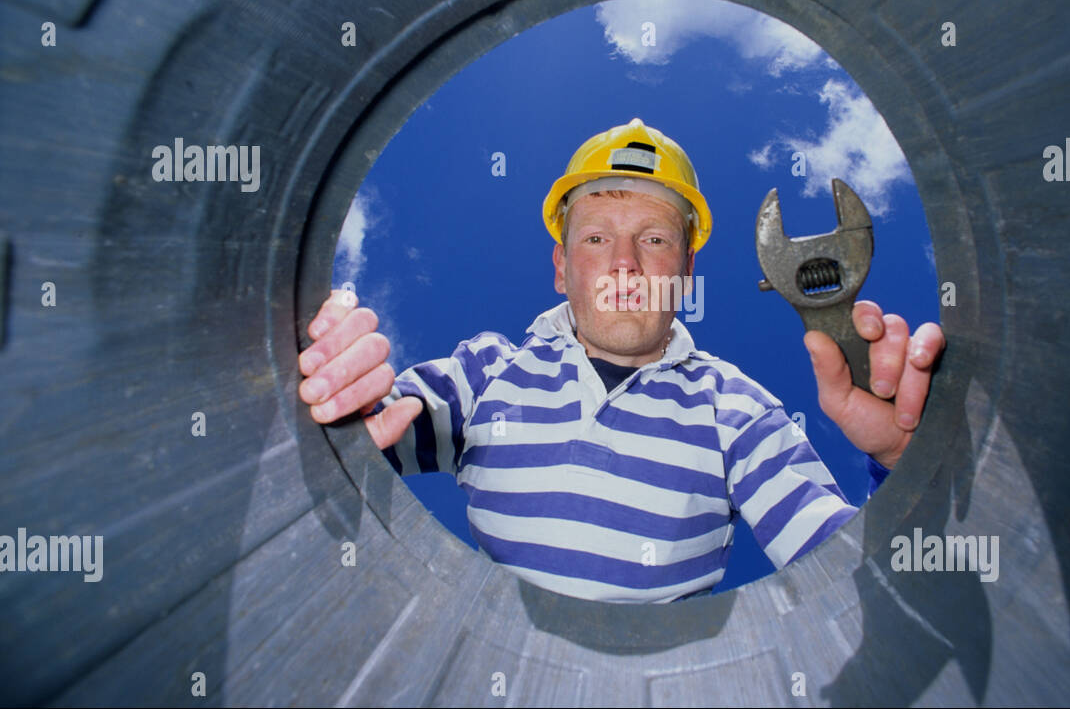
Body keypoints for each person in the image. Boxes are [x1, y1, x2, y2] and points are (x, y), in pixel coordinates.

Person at [297, 118, 945, 603]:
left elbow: (859, 587)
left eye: (654, 238)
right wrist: (333, 391)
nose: (625, 263)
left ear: (686, 270)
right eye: (597, 237)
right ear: (561, 266)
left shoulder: (740, 411)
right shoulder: (486, 371)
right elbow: (363, 438)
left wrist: (904, 463)